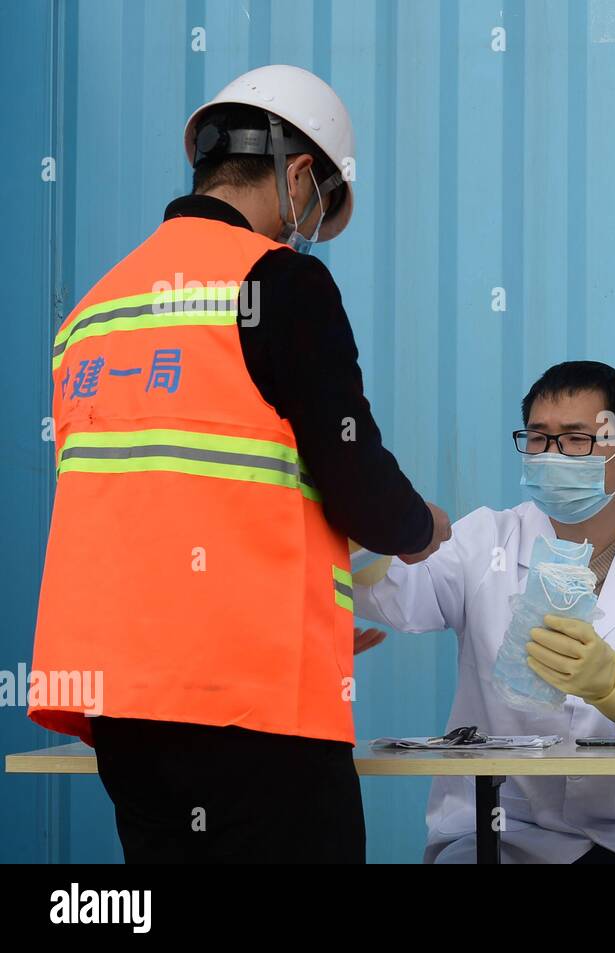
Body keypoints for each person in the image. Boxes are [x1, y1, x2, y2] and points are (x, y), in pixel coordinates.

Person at [27, 65, 450, 863]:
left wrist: (302, 612)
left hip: (124, 707)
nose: (309, 232)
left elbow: (152, 504)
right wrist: (423, 527)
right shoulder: (279, 283)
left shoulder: (94, 309)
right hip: (249, 712)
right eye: (318, 211)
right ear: (297, 176)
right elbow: (363, 486)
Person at [353, 361, 615, 863]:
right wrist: (376, 529)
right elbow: (398, 593)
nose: (553, 455)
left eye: (576, 439)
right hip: (497, 826)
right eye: (538, 439)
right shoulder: (486, 539)